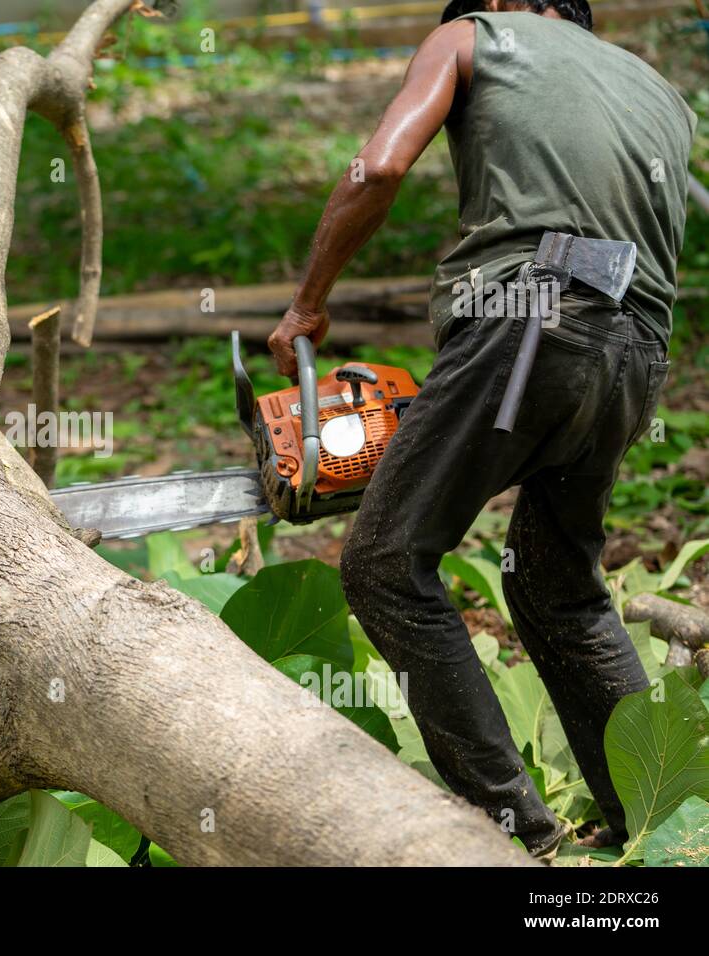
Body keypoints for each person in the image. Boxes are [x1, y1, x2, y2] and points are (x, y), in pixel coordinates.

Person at [267, 0, 695, 857]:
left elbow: (377, 168)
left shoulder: (473, 36)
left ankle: (521, 838)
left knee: (386, 562)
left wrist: (307, 303)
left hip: (531, 319)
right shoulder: (658, 90)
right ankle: (664, 832)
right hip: (636, 355)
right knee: (558, 591)